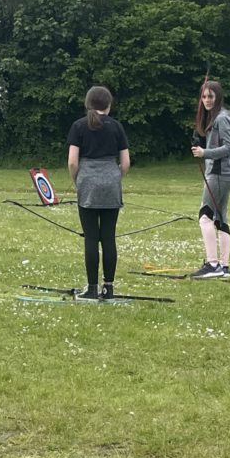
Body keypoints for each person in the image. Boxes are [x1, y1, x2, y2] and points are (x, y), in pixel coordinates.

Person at [67, 86, 131, 299]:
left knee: (91, 238)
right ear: (109, 105)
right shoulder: (117, 127)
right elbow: (125, 163)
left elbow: (72, 162)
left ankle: (92, 288)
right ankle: (108, 288)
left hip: (88, 183)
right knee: (109, 236)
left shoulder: (78, 126)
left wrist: (78, 181)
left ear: (88, 104)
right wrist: (114, 179)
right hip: (111, 182)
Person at [189, 80, 230, 279]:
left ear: (218, 97)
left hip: (219, 173)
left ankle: (212, 264)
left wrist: (204, 152)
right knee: (220, 218)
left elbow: (228, 148)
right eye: (204, 97)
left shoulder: (222, 119)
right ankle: (224, 267)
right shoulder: (217, 117)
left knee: (205, 216)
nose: (207, 100)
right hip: (223, 174)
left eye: (210, 96)